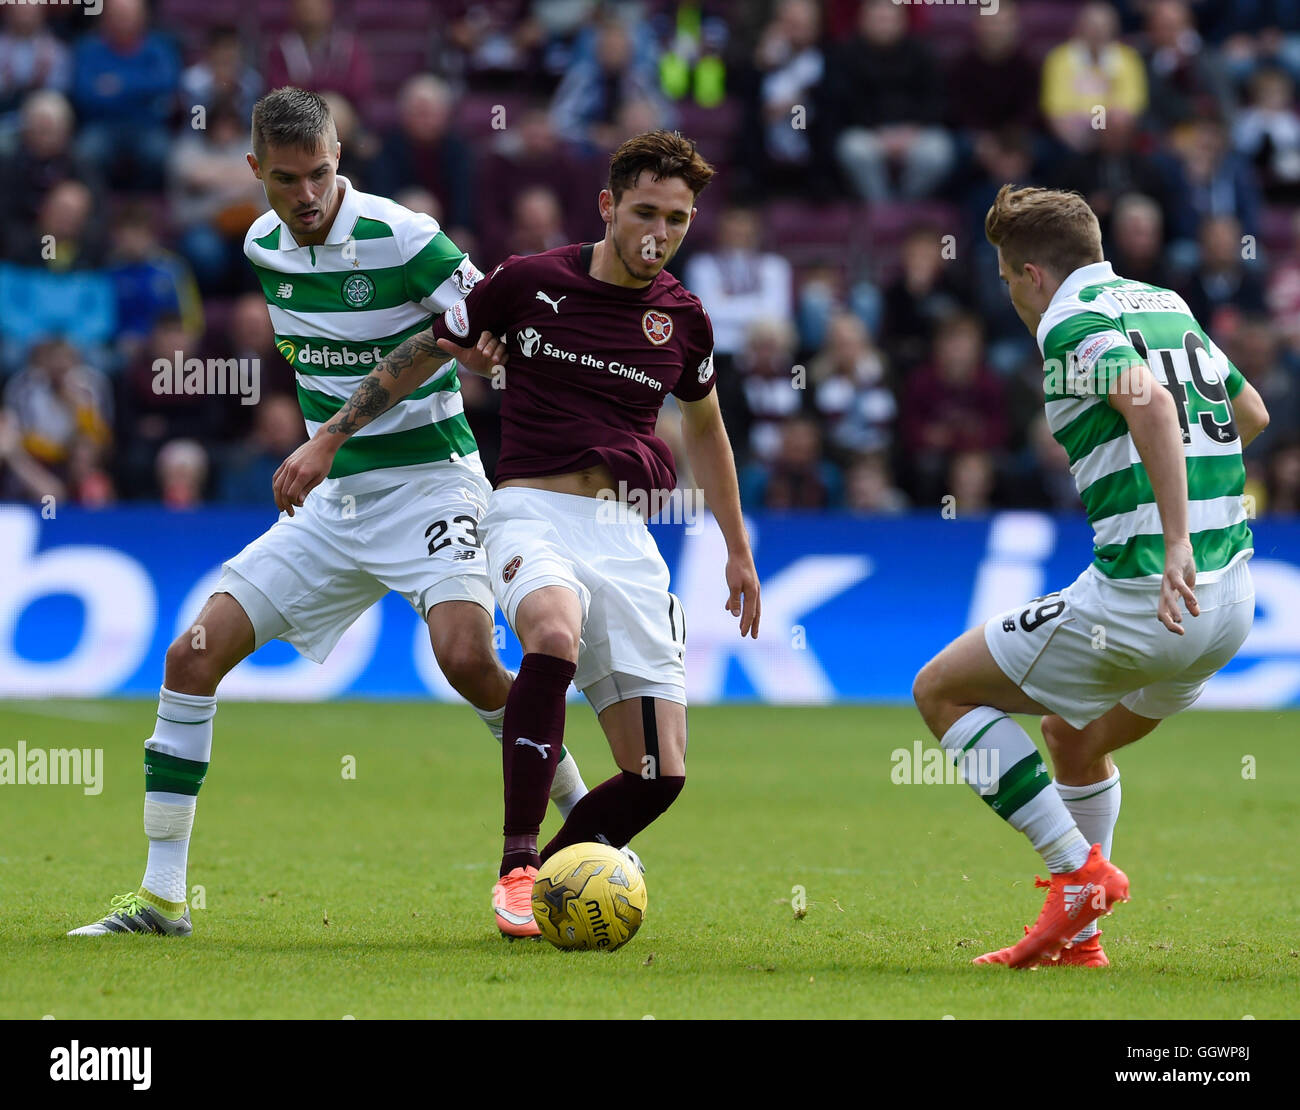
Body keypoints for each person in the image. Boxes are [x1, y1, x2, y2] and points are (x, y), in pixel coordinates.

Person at [69, 87, 589, 938]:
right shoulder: (262, 244)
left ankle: (585, 821)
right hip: (334, 498)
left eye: (319, 174)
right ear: (254, 174)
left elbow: (483, 322)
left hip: (432, 479)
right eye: (285, 179)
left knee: (465, 657)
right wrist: (323, 443)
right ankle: (163, 899)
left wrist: (488, 349)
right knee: (191, 655)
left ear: (340, 159)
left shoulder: (405, 236)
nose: (305, 196)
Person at [271, 130, 761, 938]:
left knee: (657, 775)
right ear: (607, 206)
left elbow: (707, 431)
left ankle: (566, 874)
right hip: (531, 508)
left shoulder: (684, 318)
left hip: (626, 535)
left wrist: (736, 549)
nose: (658, 234)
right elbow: (426, 349)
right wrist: (330, 437)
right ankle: (518, 864)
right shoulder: (529, 283)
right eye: (644, 211)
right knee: (553, 634)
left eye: (676, 219)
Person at [912, 185, 1270, 969]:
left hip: (1147, 598)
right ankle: (1080, 940)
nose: (1011, 296)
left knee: (940, 690)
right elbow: (1251, 414)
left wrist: (1173, 539)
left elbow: (1145, 403)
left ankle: (1076, 874)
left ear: (1033, 274)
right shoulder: (1165, 301)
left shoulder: (1072, 321)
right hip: (1228, 604)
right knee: (1071, 737)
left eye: (1008, 281)